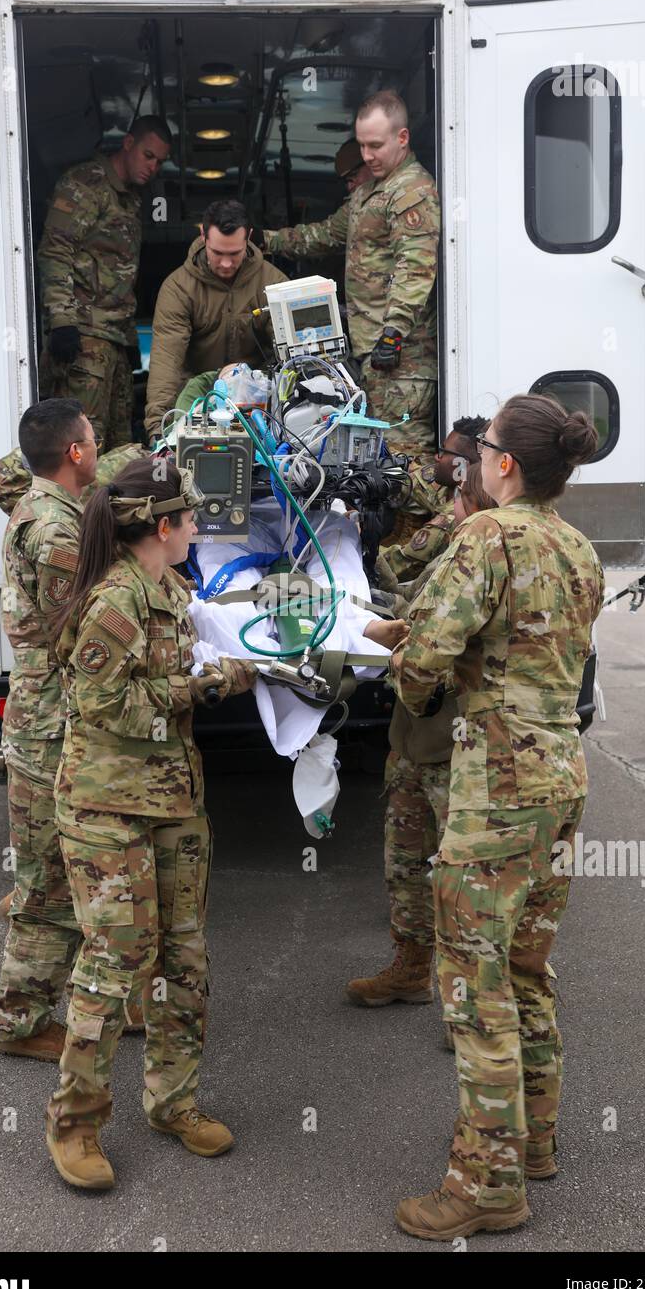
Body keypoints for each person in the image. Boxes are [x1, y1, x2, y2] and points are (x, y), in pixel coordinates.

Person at [388, 393, 605, 1242]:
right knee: (525, 972)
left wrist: (403, 668)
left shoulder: (486, 536)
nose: (475, 459)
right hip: (560, 776)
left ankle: (487, 1186)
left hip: (497, 785)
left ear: (504, 464)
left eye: (483, 449)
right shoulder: (577, 546)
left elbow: (430, 656)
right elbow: (533, 643)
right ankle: (536, 1140)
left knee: (475, 993)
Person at [44, 458, 256, 1190]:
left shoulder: (169, 586)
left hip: (172, 803)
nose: (198, 528)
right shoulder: (115, 601)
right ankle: (74, 1124)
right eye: (191, 519)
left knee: (184, 962)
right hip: (107, 808)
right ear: (161, 528)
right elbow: (104, 705)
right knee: (113, 968)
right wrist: (201, 685)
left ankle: (173, 1102)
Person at [348, 467, 498, 1009]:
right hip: (413, 745)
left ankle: (476, 1006)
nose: (449, 507)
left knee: (462, 883)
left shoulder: (481, 562)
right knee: (406, 868)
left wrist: (368, 630)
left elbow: (421, 629)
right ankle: (411, 971)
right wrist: (367, 552)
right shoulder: (453, 557)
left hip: (452, 747)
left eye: (458, 496)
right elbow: (408, 599)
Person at [0, 399, 98, 1063]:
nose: (97, 441)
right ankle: (24, 1020)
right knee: (48, 884)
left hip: (45, 719)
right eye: (91, 436)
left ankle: (96, 997)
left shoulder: (41, 503)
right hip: (50, 729)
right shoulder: (54, 530)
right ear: (76, 453)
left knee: (67, 874)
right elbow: (82, 627)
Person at [263, 90, 440, 460]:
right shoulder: (369, 193)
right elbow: (325, 234)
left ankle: (424, 521)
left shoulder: (412, 191)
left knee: (406, 456)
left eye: (375, 145)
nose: (367, 156)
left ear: (402, 138)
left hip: (402, 358)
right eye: (362, 146)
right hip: (373, 354)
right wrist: (263, 240)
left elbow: (416, 266)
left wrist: (393, 331)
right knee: (378, 456)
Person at [38, 116, 172, 452]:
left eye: (159, 161)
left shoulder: (130, 199)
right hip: (85, 336)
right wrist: (62, 320)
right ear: (128, 144)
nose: (153, 167)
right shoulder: (86, 185)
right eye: (148, 155)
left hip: (115, 338)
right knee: (83, 444)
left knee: (119, 447)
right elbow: (55, 250)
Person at [144, 200, 287, 445]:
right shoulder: (178, 288)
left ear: (249, 238)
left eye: (234, 254)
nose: (226, 264)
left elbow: (292, 354)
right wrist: (159, 427)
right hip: (195, 401)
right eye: (217, 253)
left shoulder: (272, 282)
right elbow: (166, 359)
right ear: (203, 236)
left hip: (257, 403)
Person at [379, 417, 488, 576]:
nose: (437, 457)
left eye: (444, 452)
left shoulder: (452, 519)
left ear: (461, 466)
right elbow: (410, 483)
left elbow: (398, 564)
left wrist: (359, 541)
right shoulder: (447, 479)